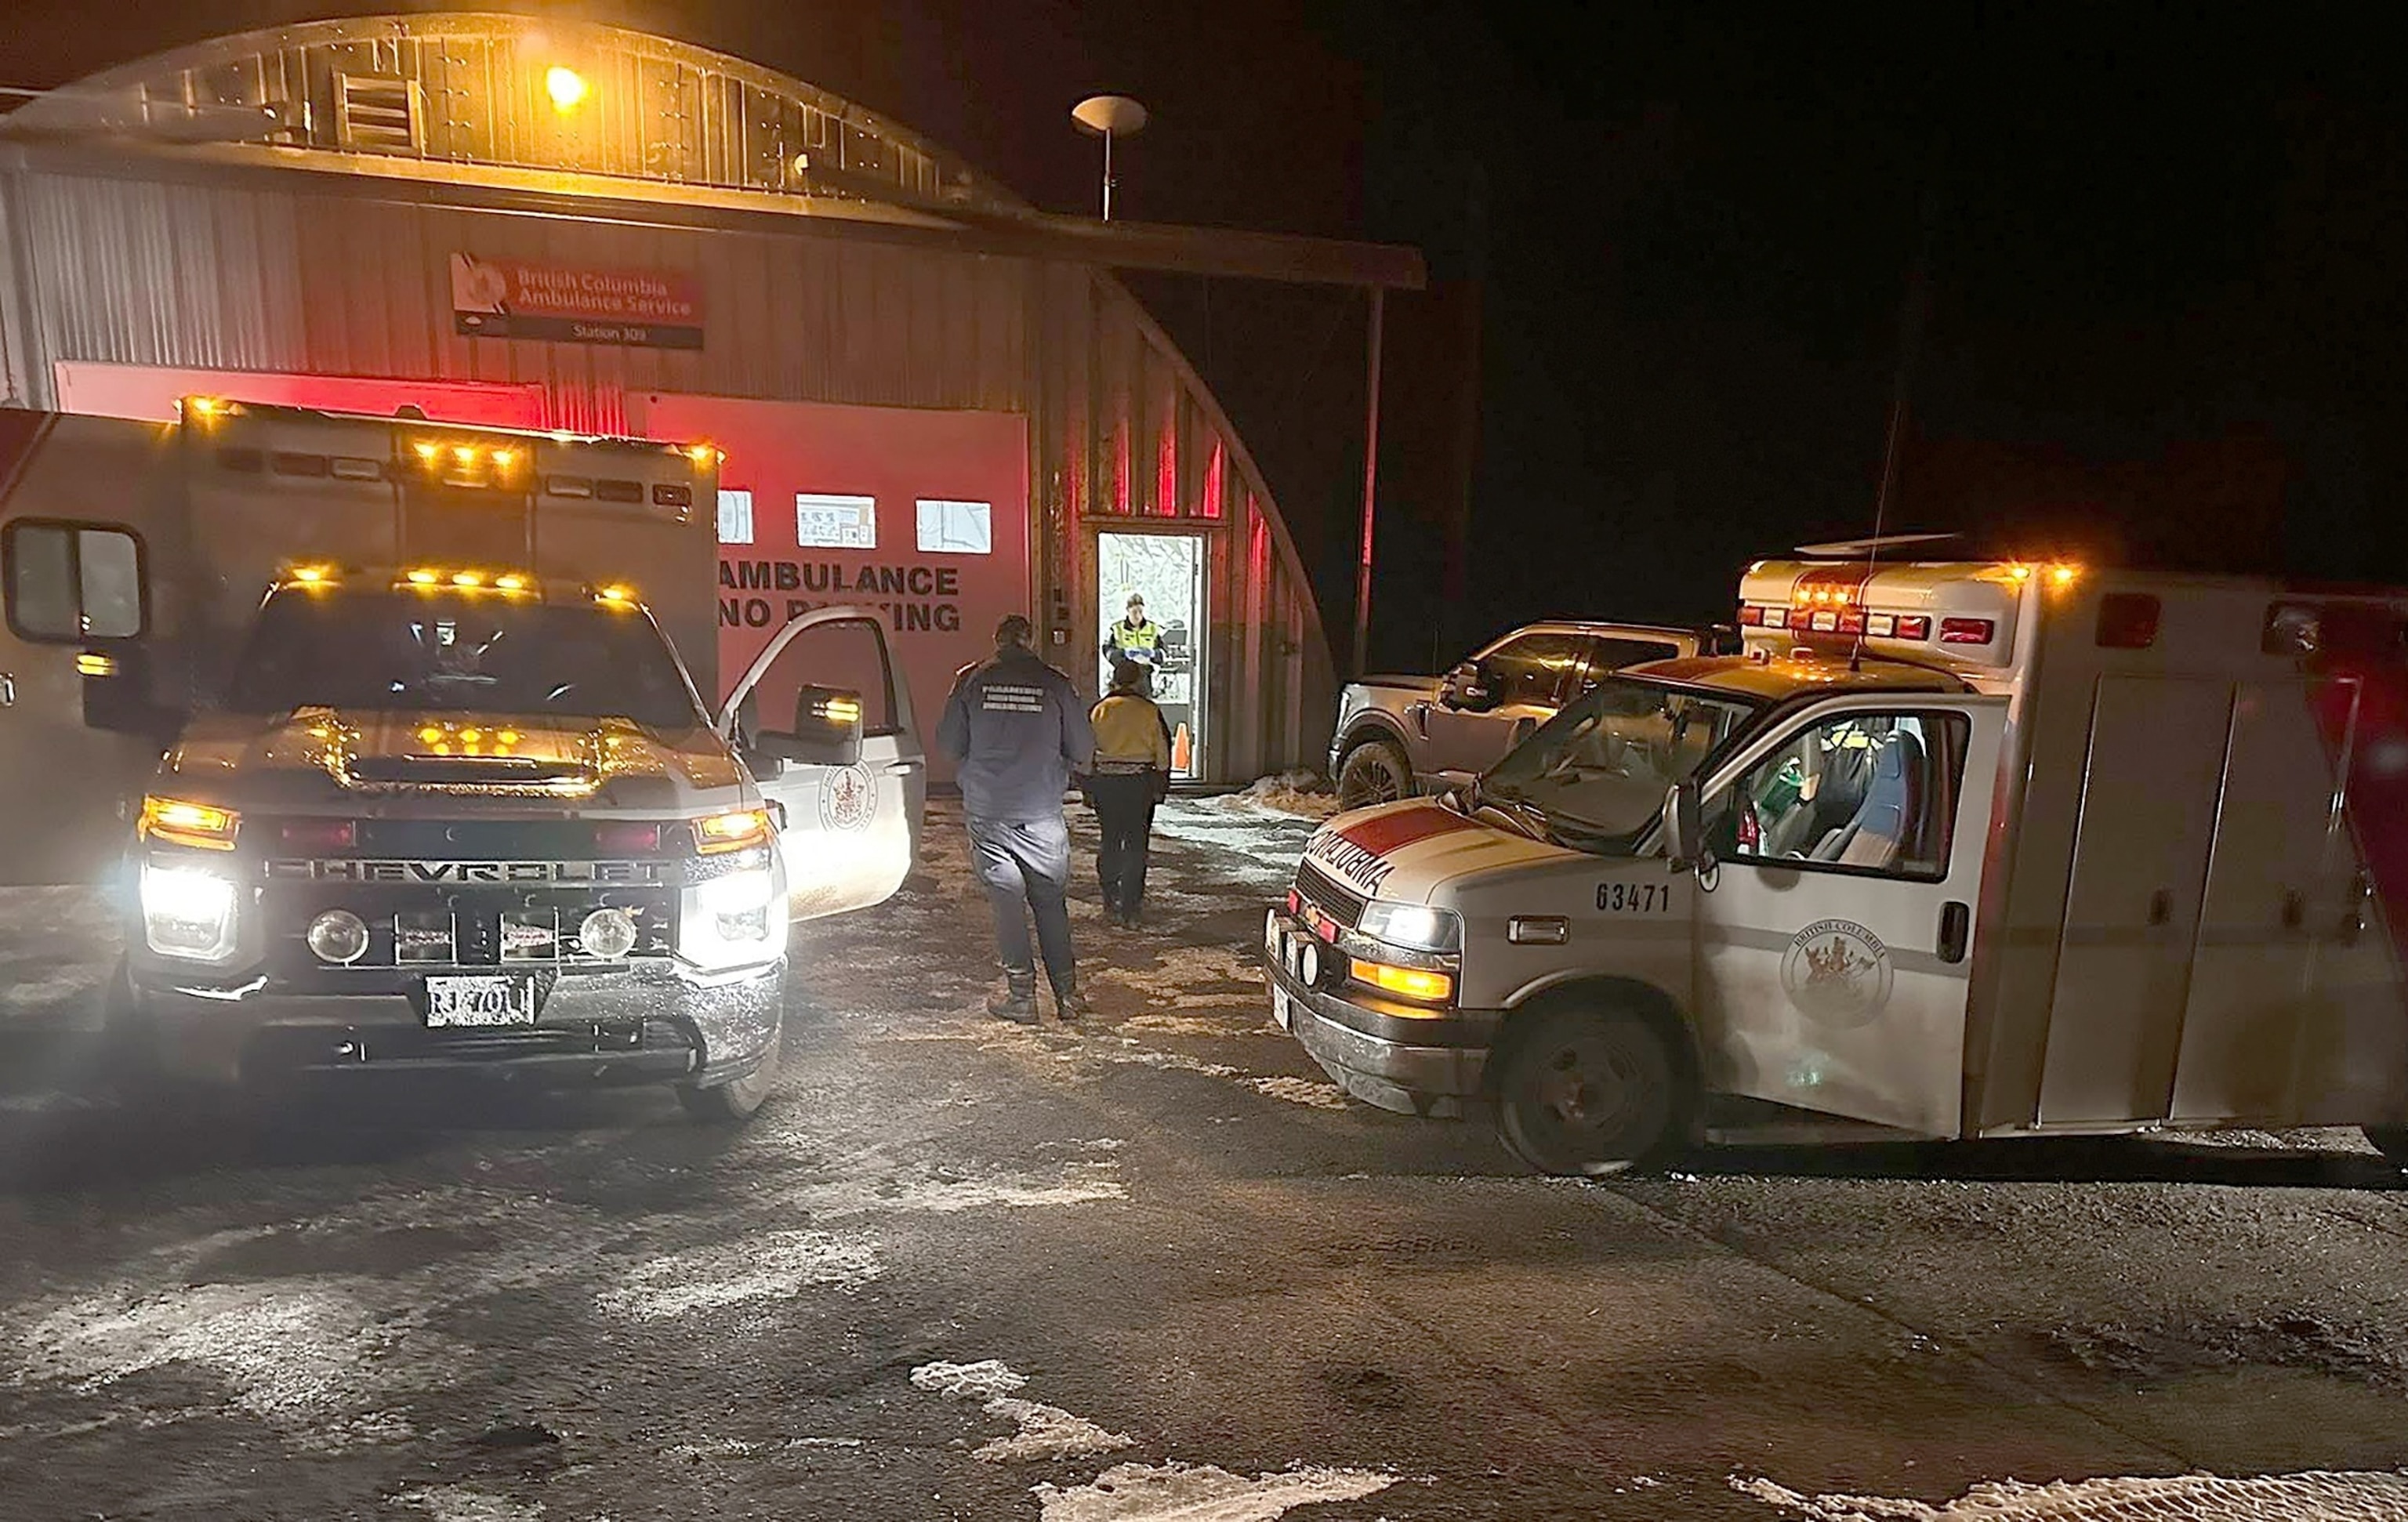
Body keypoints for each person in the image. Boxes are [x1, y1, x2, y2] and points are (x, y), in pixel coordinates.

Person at [937, 614, 1097, 1024]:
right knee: (1050, 903)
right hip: (1040, 812)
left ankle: (1022, 997)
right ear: (1030, 641)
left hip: (989, 812)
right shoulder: (1055, 683)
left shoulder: (971, 680)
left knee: (1007, 904)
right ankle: (1068, 996)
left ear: (997, 641)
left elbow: (949, 745)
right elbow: (1083, 749)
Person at [1088, 658, 1173, 927]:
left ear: (1114, 680)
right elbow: (1163, 752)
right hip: (1139, 783)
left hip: (1106, 782)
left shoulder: (1100, 710)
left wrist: (1087, 786)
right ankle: (1131, 906)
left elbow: (1085, 750)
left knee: (1110, 839)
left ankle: (1109, 896)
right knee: (1137, 843)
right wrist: (1161, 784)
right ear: (1138, 681)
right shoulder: (1149, 710)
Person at [1102, 592, 1161, 675]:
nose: (1138, 615)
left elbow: (1163, 653)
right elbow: (1108, 653)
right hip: (1124, 674)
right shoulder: (1116, 629)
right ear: (1128, 610)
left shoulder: (1153, 628)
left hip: (1147, 674)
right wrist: (1124, 653)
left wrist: (1153, 653)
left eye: (1140, 611)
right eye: (1134, 612)